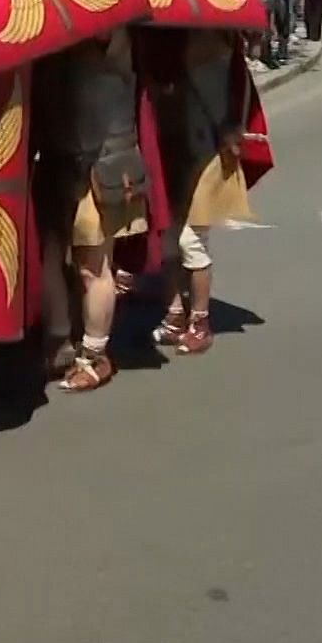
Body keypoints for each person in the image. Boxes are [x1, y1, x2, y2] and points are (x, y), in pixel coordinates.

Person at [134, 28, 269, 357]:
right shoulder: (161, 40)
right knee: (167, 235)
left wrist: (233, 130)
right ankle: (174, 311)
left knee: (191, 241)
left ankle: (200, 321)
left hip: (206, 149)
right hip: (169, 146)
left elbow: (238, 96)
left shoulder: (222, 44)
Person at [33, 28, 150, 392]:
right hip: (59, 157)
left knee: (92, 265)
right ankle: (60, 341)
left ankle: (96, 355)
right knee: (53, 256)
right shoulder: (62, 26)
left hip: (101, 162)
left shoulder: (110, 30)